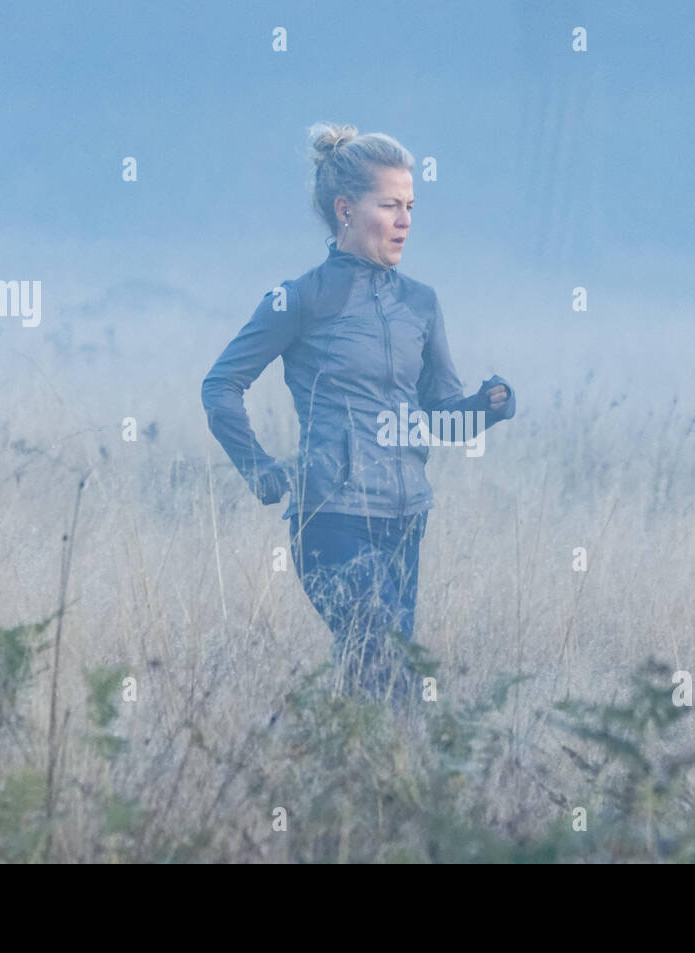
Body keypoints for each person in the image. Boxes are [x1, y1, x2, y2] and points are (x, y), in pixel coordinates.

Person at [201, 121, 516, 708]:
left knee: (371, 684)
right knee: (384, 663)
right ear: (346, 209)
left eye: (411, 206)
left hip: (406, 521)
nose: (405, 221)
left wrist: (484, 410)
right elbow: (220, 387)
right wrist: (262, 470)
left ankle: (322, 778)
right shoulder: (299, 298)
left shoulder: (421, 303)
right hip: (330, 519)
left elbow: (438, 417)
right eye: (390, 205)